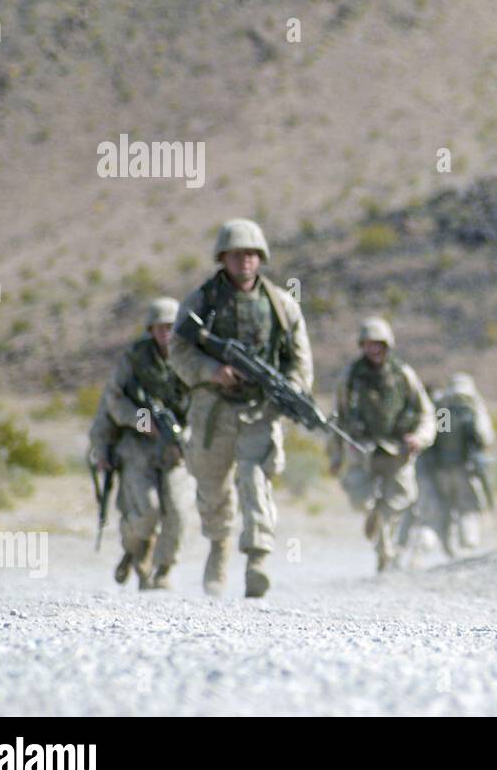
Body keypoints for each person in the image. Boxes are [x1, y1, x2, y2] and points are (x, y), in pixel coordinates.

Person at [170, 219, 313, 598]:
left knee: (255, 479)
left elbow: (300, 359)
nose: (244, 262)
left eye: (251, 255)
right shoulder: (202, 301)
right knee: (212, 485)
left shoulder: (281, 305)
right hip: (213, 409)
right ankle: (218, 550)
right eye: (237, 255)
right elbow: (179, 351)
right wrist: (210, 370)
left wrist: (293, 392)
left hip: (259, 410)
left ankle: (257, 560)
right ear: (223, 258)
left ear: (261, 258)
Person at [87, 297, 195, 590]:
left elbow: (204, 401)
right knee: (146, 512)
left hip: (177, 447)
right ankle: (136, 552)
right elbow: (111, 403)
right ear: (151, 329)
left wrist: (185, 435)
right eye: (160, 327)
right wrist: (141, 422)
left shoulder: (191, 358)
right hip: (139, 446)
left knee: (178, 512)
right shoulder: (134, 360)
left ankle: (163, 570)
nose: (166, 333)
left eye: (172, 327)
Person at [328, 316, 435, 572]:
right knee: (359, 499)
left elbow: (426, 414)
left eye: (379, 344)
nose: (373, 349)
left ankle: (385, 553)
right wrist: (335, 456)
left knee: (398, 501)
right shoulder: (350, 377)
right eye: (368, 344)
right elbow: (337, 418)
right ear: (362, 346)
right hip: (362, 449)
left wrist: (419, 438)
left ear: (388, 345)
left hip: (397, 452)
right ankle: (377, 528)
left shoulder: (404, 375)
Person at [420, 373, 495, 556]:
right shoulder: (474, 407)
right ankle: (466, 546)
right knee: (468, 506)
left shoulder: (444, 408)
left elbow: (438, 438)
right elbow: (485, 438)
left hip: (443, 469)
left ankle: (448, 546)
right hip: (464, 469)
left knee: (445, 508)